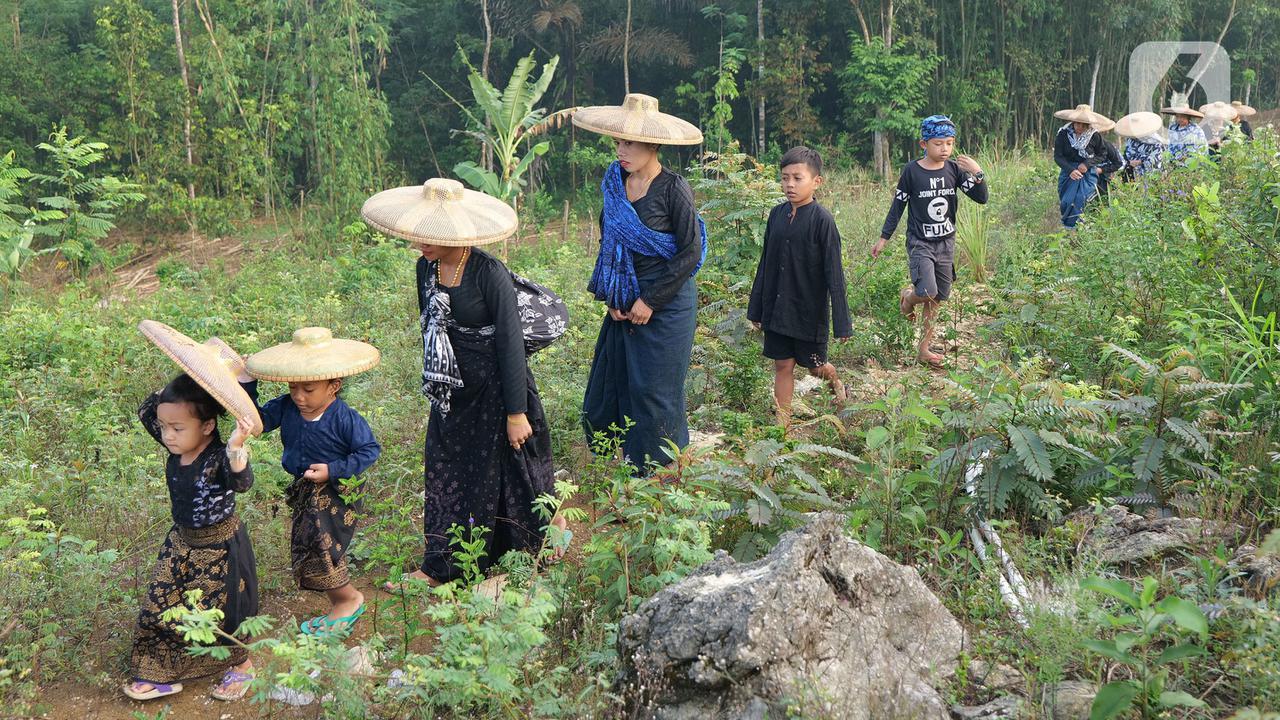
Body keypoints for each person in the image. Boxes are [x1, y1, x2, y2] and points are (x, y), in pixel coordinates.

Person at [360, 178, 567, 588]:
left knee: (517, 470)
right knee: (448, 470)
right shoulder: (427, 267)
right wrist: (439, 387)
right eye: (419, 236)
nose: (421, 244)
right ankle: (440, 566)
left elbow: (510, 344)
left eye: (430, 237)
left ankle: (536, 546)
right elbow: (431, 331)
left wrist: (516, 412)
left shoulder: (489, 273)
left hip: (497, 390)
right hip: (454, 392)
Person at [572, 93, 708, 472]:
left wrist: (650, 300)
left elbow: (690, 253)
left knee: (655, 391)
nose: (621, 150)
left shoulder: (672, 189)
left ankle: (660, 474)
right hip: (625, 299)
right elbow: (609, 241)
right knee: (613, 384)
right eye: (618, 142)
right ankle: (629, 466)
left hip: (667, 301)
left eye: (629, 143)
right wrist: (614, 298)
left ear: (653, 144)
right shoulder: (615, 182)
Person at [124, 374, 258, 703]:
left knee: (222, 611)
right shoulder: (178, 441)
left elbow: (242, 483)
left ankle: (242, 664)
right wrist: (191, 377)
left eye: (177, 428)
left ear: (208, 426)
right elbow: (147, 411)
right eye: (164, 426)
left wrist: (236, 447)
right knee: (160, 602)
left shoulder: (218, 458)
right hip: (181, 542)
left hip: (219, 548)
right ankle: (158, 672)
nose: (167, 435)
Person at [243, 328, 381, 636]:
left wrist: (333, 469)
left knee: (324, 546)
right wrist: (247, 384)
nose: (299, 397)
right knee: (311, 544)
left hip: (336, 491)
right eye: (294, 388)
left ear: (334, 385)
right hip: (306, 489)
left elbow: (370, 450)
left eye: (308, 389)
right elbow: (256, 423)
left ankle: (348, 600)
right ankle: (343, 600)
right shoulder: (287, 407)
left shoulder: (344, 419)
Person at [872, 114, 988, 368]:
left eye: (949, 142)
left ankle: (923, 349)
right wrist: (884, 238)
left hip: (946, 243)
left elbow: (981, 198)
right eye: (938, 143)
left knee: (937, 299)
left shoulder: (955, 170)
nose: (945, 148)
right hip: (920, 242)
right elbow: (898, 206)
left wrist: (978, 172)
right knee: (927, 292)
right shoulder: (912, 172)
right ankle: (908, 297)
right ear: (923, 144)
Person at [747, 146, 850, 424]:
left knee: (815, 366)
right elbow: (765, 262)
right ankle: (783, 427)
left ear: (816, 182)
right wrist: (756, 308)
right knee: (783, 364)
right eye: (784, 178)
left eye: (797, 178)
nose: (789, 184)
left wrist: (842, 322)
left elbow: (835, 275)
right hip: (778, 305)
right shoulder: (777, 215)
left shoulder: (822, 221)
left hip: (808, 309)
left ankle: (835, 382)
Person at [1051, 104, 1112, 228]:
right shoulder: (1063, 134)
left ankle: (1080, 228)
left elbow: (1102, 154)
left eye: (1083, 124)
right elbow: (1058, 156)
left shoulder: (1094, 136)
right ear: (1073, 122)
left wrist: (1087, 164)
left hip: (1087, 173)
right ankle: (1068, 227)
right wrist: (1070, 170)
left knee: (1081, 199)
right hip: (1068, 172)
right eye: (1077, 123)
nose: (1079, 127)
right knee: (1066, 201)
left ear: (1088, 124)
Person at [1115, 111, 1165, 180]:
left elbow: (1156, 160)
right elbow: (1126, 154)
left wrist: (1140, 162)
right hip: (1130, 172)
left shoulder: (1155, 142)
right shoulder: (1130, 140)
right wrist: (1128, 163)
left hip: (1147, 176)